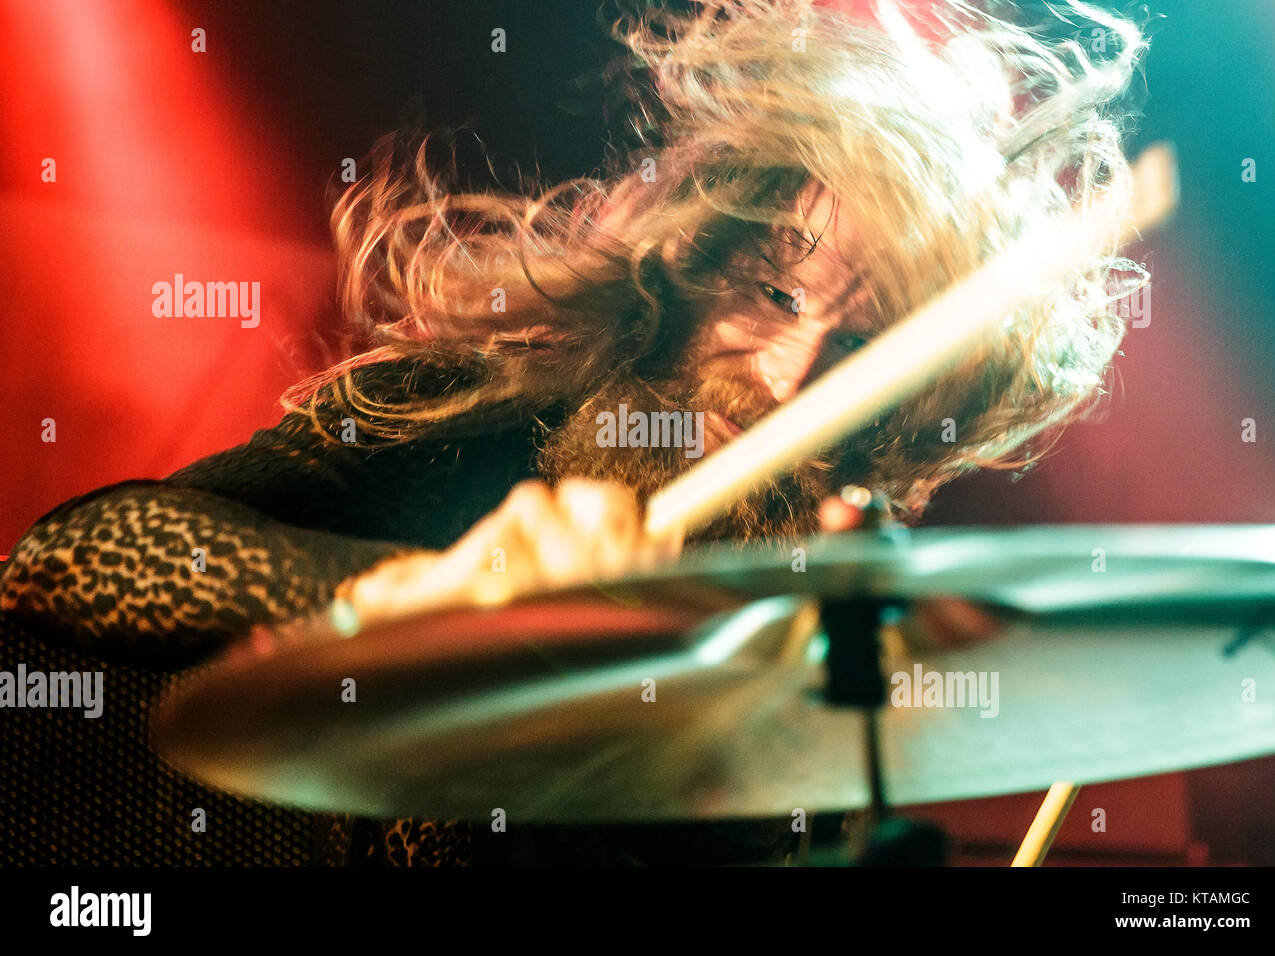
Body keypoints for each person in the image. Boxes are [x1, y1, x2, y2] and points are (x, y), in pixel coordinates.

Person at [0, 0, 1148, 865]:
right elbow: (65, 555)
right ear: (696, 264)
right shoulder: (478, 401)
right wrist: (426, 601)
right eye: (777, 295)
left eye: (857, 353)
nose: (790, 376)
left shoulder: (814, 637)